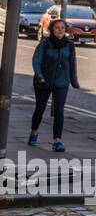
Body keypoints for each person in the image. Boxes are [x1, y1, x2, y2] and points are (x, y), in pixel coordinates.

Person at [30, 18, 80, 152]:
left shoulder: (69, 45)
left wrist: (73, 80)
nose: (60, 30)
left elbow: (72, 63)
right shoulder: (45, 44)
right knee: (40, 109)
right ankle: (34, 131)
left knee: (59, 110)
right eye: (57, 27)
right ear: (52, 29)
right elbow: (36, 61)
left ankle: (57, 141)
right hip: (44, 82)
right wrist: (40, 77)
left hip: (61, 82)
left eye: (62, 28)